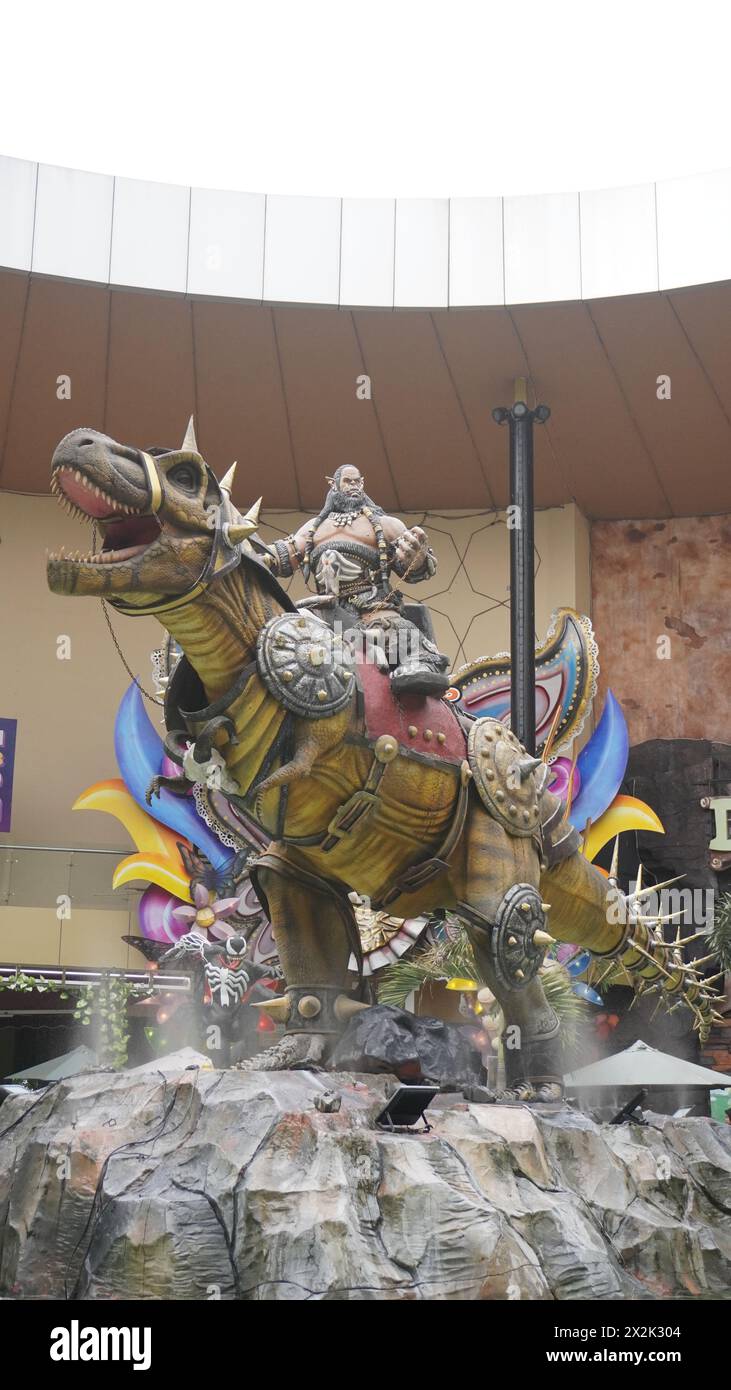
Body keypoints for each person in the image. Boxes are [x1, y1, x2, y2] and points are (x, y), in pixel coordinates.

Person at [260, 465, 450, 696]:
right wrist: (255, 557)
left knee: (400, 636)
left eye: (358, 482)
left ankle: (419, 666)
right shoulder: (314, 528)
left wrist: (417, 558)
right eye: (348, 481)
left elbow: (411, 567)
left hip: (372, 608)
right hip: (321, 613)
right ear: (334, 484)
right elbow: (281, 557)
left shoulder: (385, 524)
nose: (354, 487)